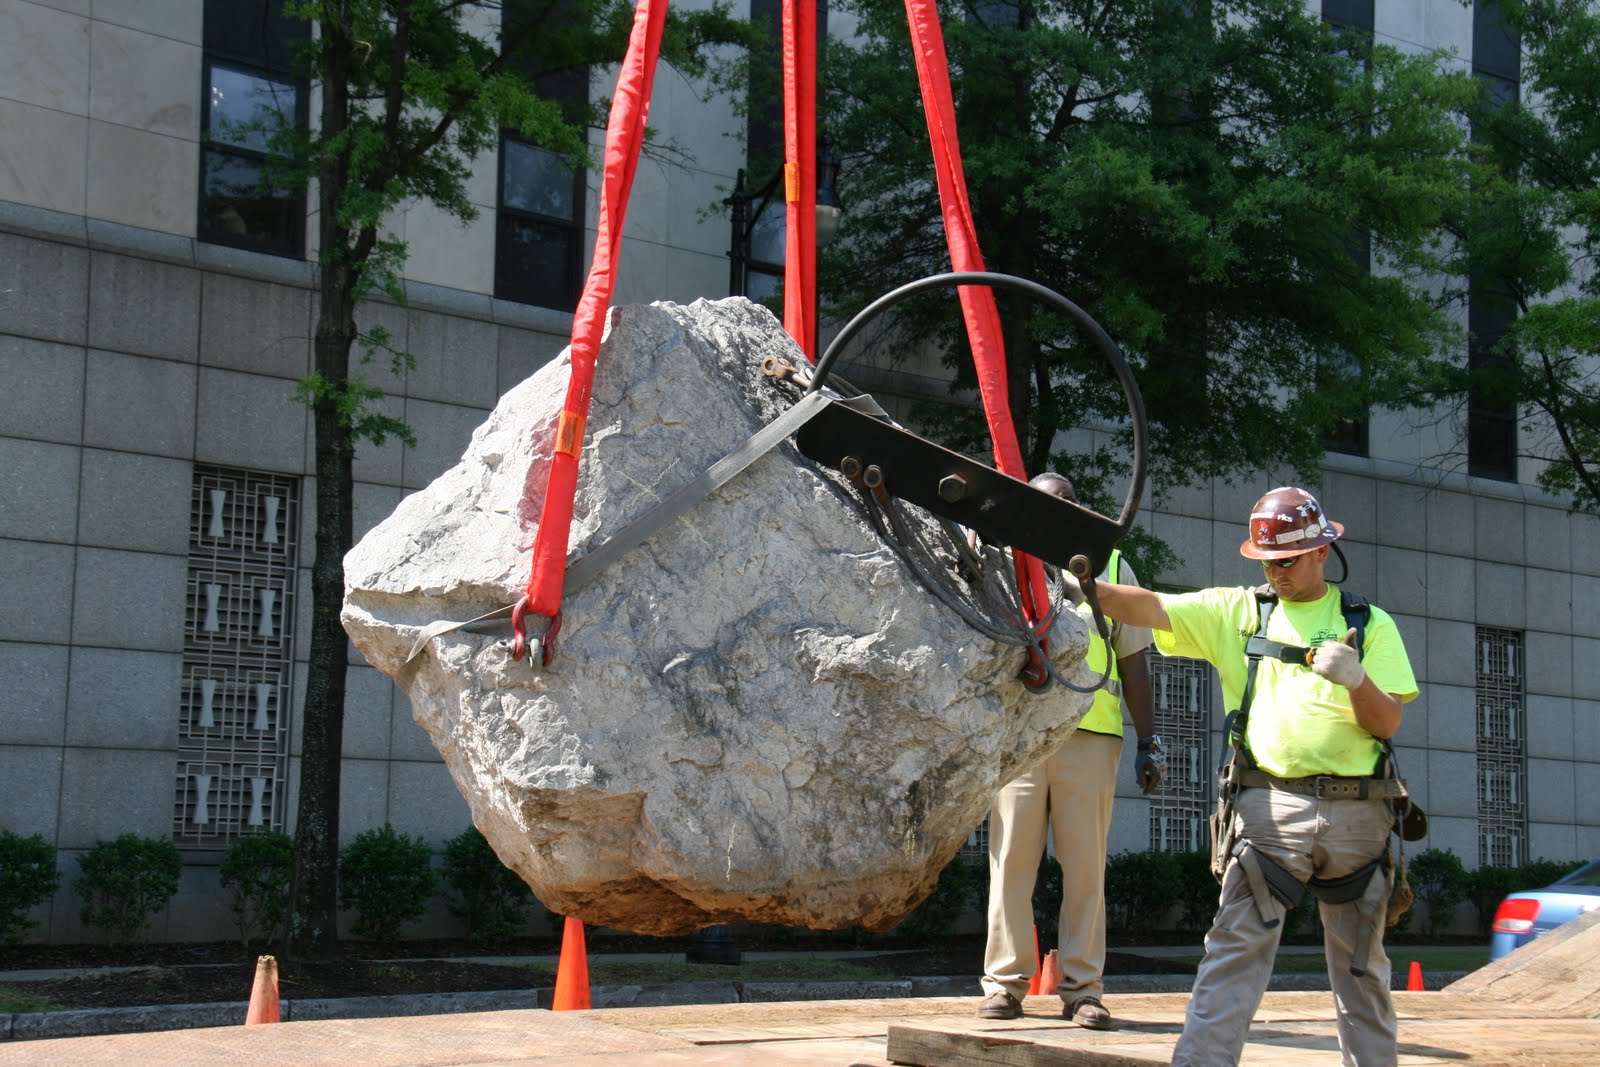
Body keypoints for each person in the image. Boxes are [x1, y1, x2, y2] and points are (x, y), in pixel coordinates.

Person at [1079, 486, 1417, 1067]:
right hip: (1269, 811)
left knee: (1362, 972)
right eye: (1266, 562)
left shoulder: (1368, 621)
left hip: (1359, 817)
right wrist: (1078, 582)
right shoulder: (1239, 612)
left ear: (1321, 552)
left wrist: (1357, 679)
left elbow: (1387, 721)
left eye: (1286, 561)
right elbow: (1147, 607)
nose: (1276, 573)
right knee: (1233, 953)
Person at [977, 471, 1165, 1028]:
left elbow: (1134, 659)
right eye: (1040, 502)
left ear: (1079, 510)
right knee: (1010, 861)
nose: (1051, 511)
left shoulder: (1107, 565)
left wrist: (1148, 741)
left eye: (1063, 503)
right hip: (1023, 736)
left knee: (1085, 869)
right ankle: (1005, 984)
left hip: (1091, 734)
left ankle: (1083, 989)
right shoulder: (1005, 561)